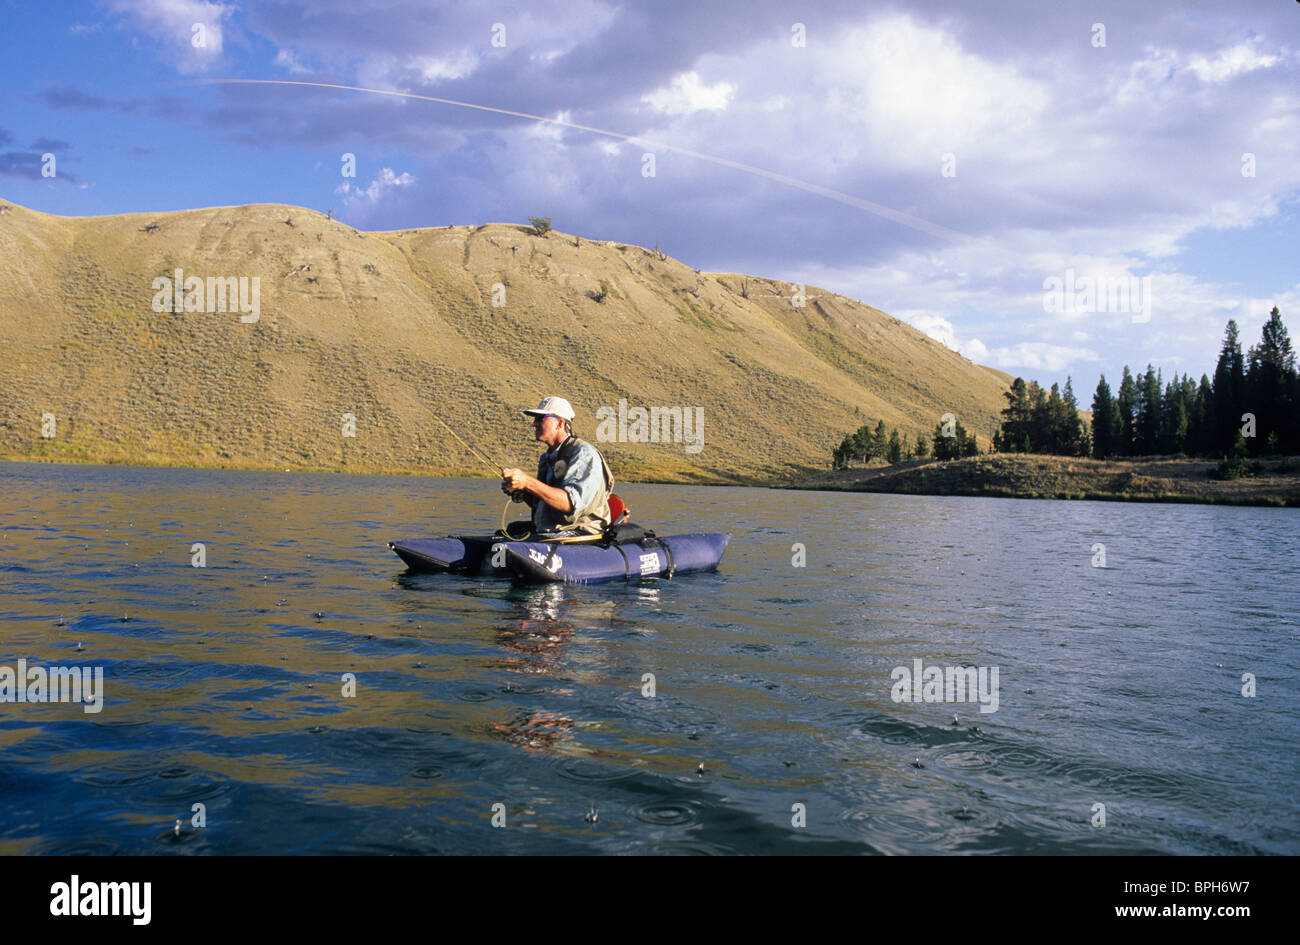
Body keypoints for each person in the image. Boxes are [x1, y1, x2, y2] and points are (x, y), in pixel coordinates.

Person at [501, 396, 614, 536]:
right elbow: (547, 504)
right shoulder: (546, 458)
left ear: (560, 424)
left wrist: (527, 482)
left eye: (540, 419)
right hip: (552, 529)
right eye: (535, 419)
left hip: (581, 532)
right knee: (510, 530)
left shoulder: (584, 454)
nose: (534, 424)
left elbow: (570, 505)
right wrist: (523, 493)